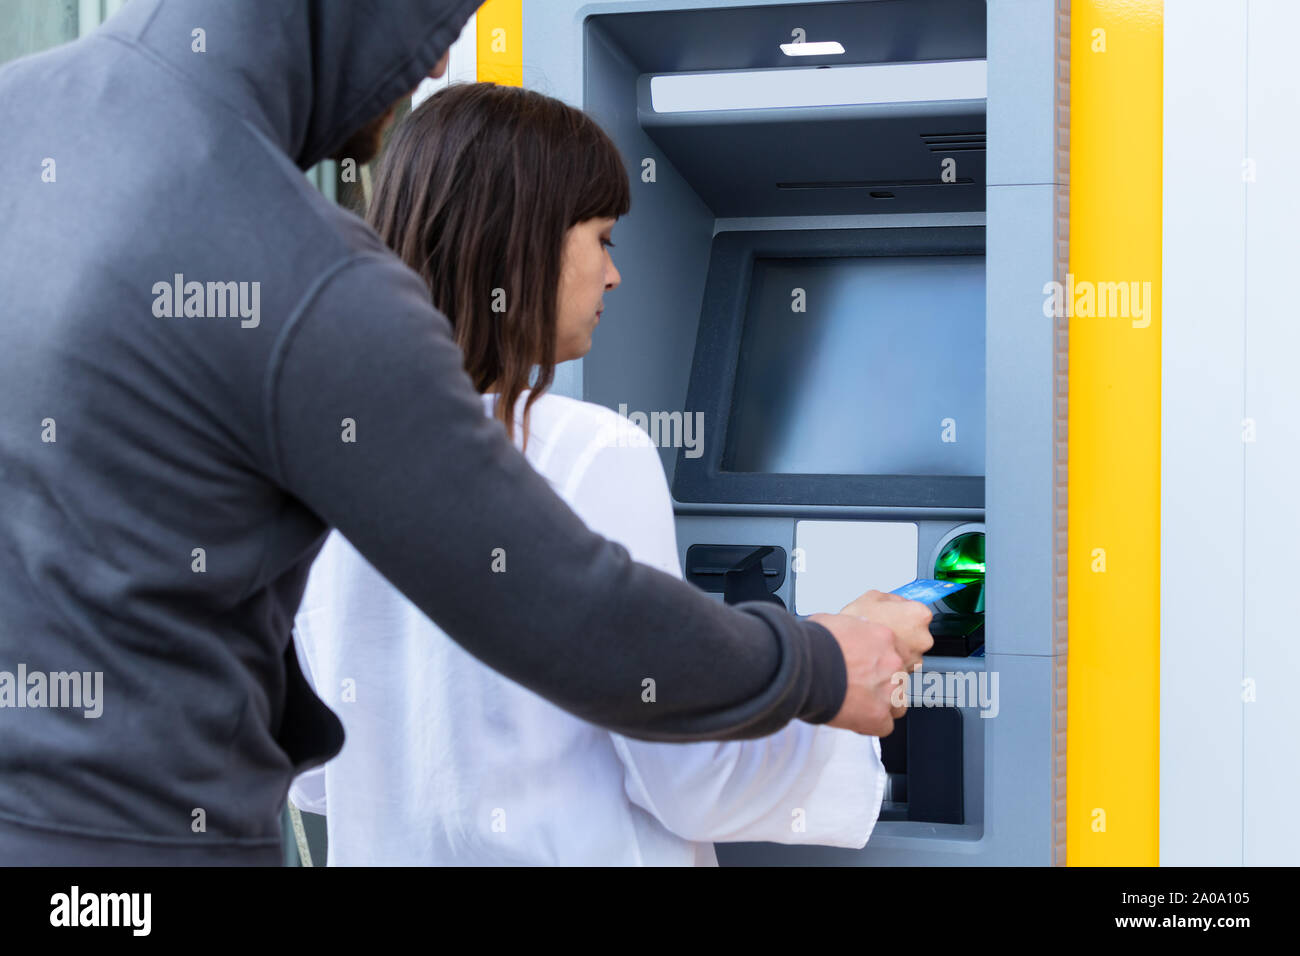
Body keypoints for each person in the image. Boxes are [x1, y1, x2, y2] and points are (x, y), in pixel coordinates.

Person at [0, 0, 931, 865]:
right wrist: (824, 661)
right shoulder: (325, 294)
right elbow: (604, 652)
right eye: (602, 237)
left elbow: (321, 762)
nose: (441, 56)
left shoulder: (33, 127)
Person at [290, 83, 902, 865]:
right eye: (603, 238)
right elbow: (691, 781)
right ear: (526, 241)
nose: (614, 276)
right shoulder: (591, 451)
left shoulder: (325, 453)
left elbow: (314, 776)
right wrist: (846, 671)